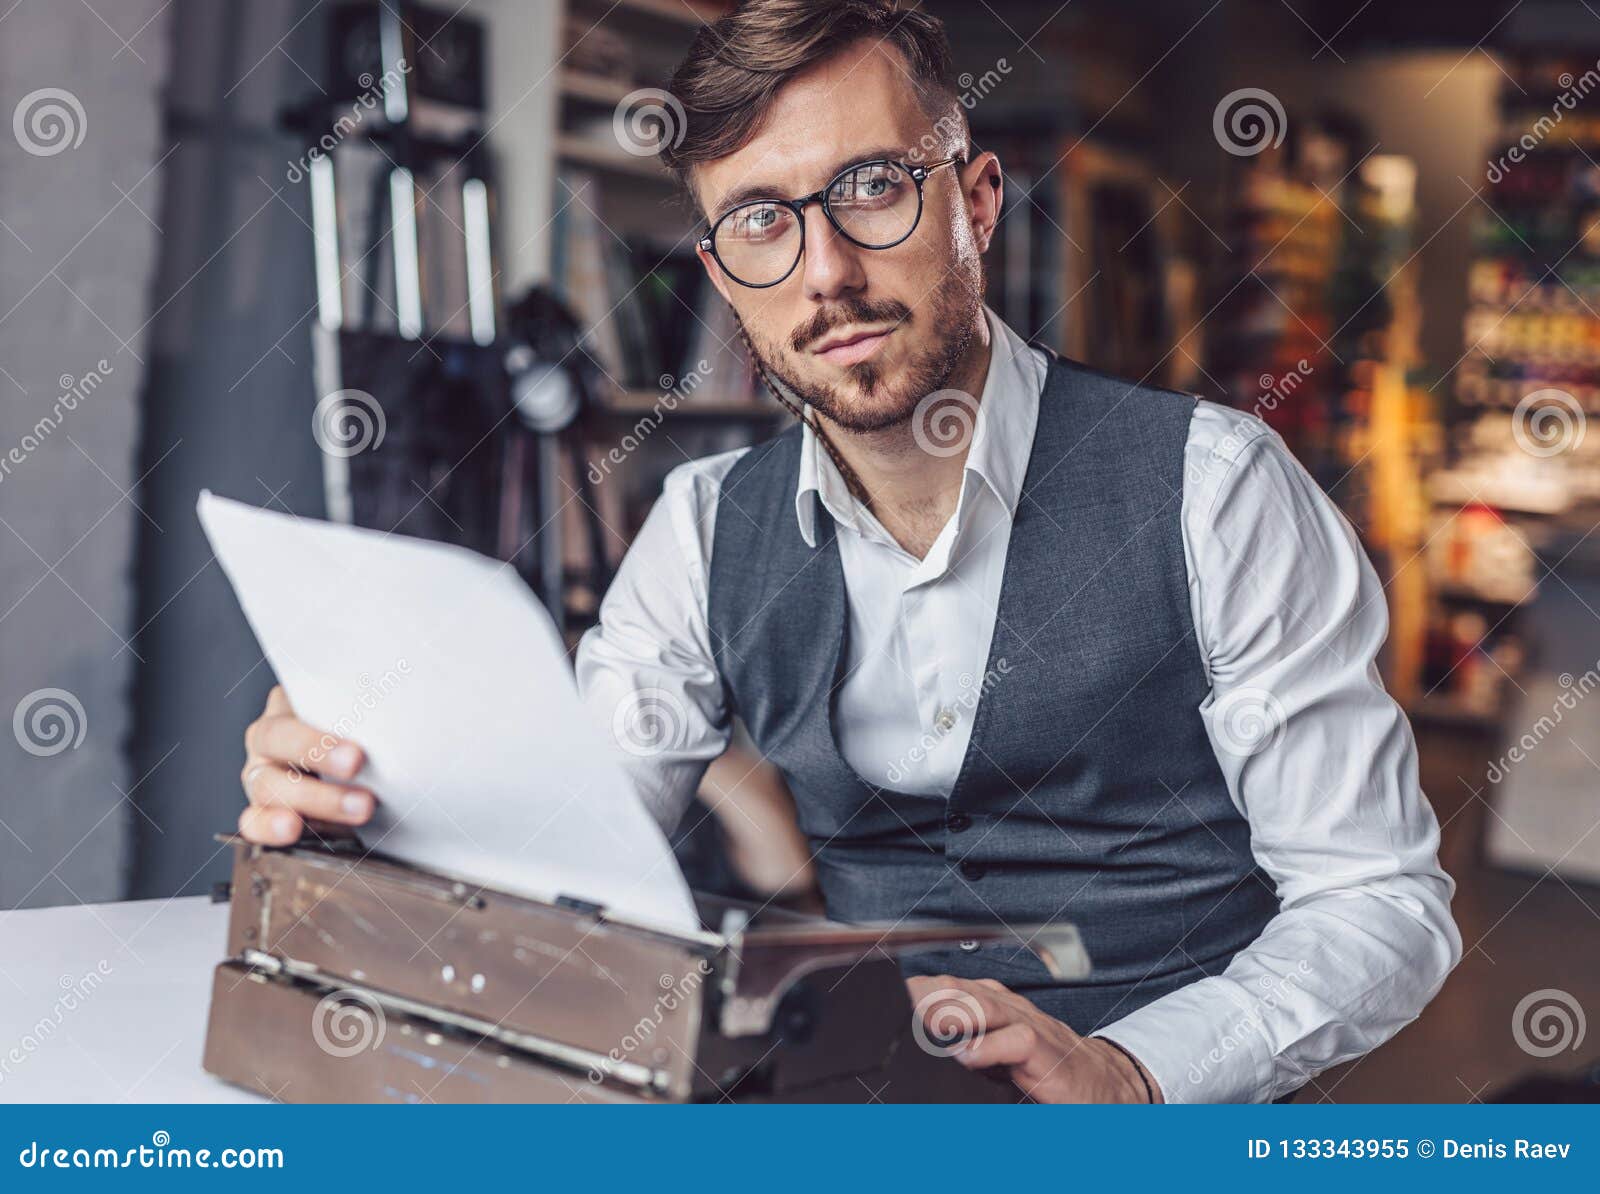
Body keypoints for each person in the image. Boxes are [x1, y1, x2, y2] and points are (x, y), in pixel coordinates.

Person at [235, 0, 1460, 1103]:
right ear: (720, 273)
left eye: (873, 187)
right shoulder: (706, 528)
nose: (825, 272)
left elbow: (1379, 901)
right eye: (763, 222)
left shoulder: (1213, 490)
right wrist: (369, 808)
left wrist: (1135, 1073)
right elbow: (566, 843)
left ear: (975, 200)